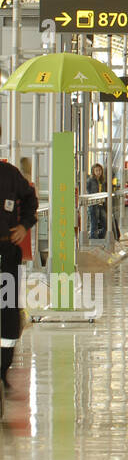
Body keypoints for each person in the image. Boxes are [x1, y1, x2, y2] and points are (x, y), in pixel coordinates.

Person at [0, 136, 37, 389]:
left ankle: (3, 366)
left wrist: (24, 225)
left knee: (8, 308)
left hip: (6, 251)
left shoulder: (10, 175)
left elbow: (31, 200)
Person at [87, 163, 107, 242]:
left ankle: (99, 239)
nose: (98, 172)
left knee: (106, 224)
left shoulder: (102, 181)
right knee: (94, 225)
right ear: (93, 172)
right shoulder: (90, 181)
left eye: (100, 170)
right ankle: (94, 241)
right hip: (93, 205)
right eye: (96, 170)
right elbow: (88, 192)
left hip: (101, 205)